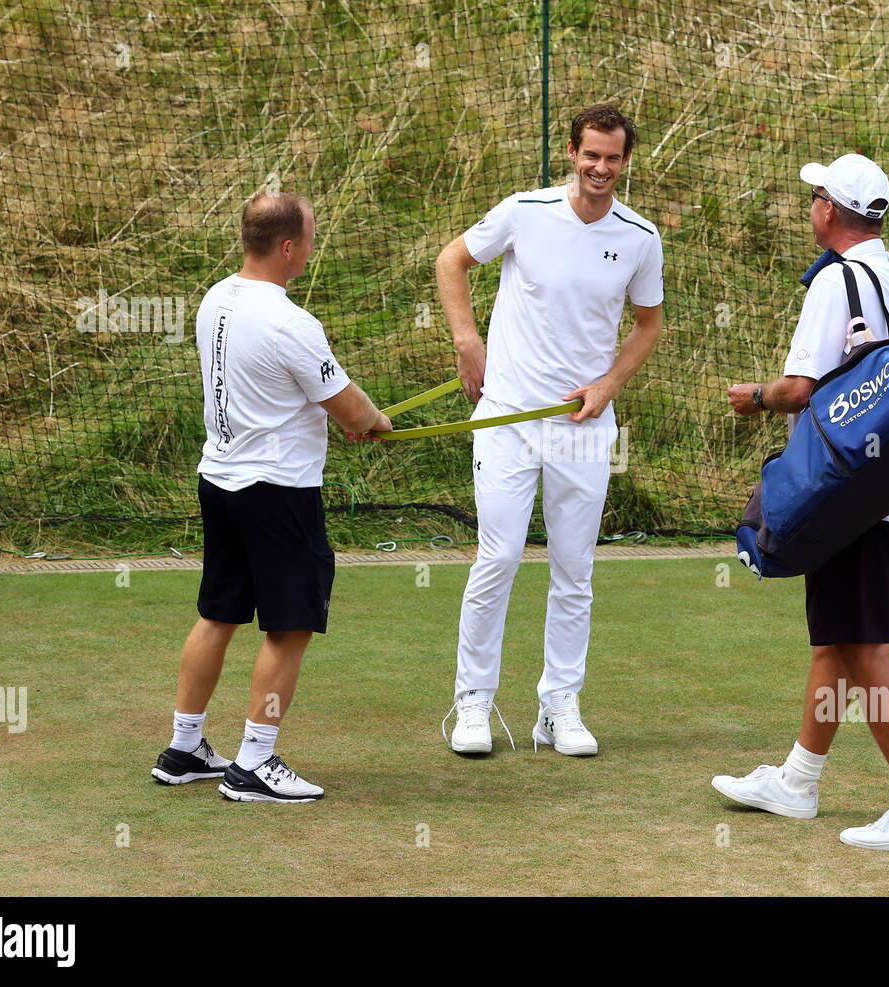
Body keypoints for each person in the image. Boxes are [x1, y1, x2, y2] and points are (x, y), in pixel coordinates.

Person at [715, 154, 889, 851]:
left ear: (829, 209)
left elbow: (801, 387)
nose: (809, 205)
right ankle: (797, 780)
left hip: (852, 492)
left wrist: (751, 397)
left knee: (866, 647)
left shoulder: (834, 284)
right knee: (837, 639)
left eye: (814, 195)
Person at [437, 104, 664, 756]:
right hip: (506, 418)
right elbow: (451, 262)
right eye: (590, 155)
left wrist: (607, 386)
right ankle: (473, 704)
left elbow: (647, 324)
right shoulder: (524, 210)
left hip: (584, 429)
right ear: (572, 151)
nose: (600, 168)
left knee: (574, 569)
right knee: (499, 556)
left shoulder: (640, 236)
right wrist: (466, 341)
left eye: (612, 158)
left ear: (624, 161)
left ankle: (558, 707)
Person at [150, 192, 391, 803]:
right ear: (289, 247)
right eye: (309, 239)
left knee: (219, 612)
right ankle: (255, 762)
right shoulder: (292, 323)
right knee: (290, 626)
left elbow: (295, 392)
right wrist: (373, 420)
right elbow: (353, 410)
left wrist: (343, 414)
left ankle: (184, 749)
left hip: (221, 483)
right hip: (277, 491)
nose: (311, 249)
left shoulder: (216, 298)